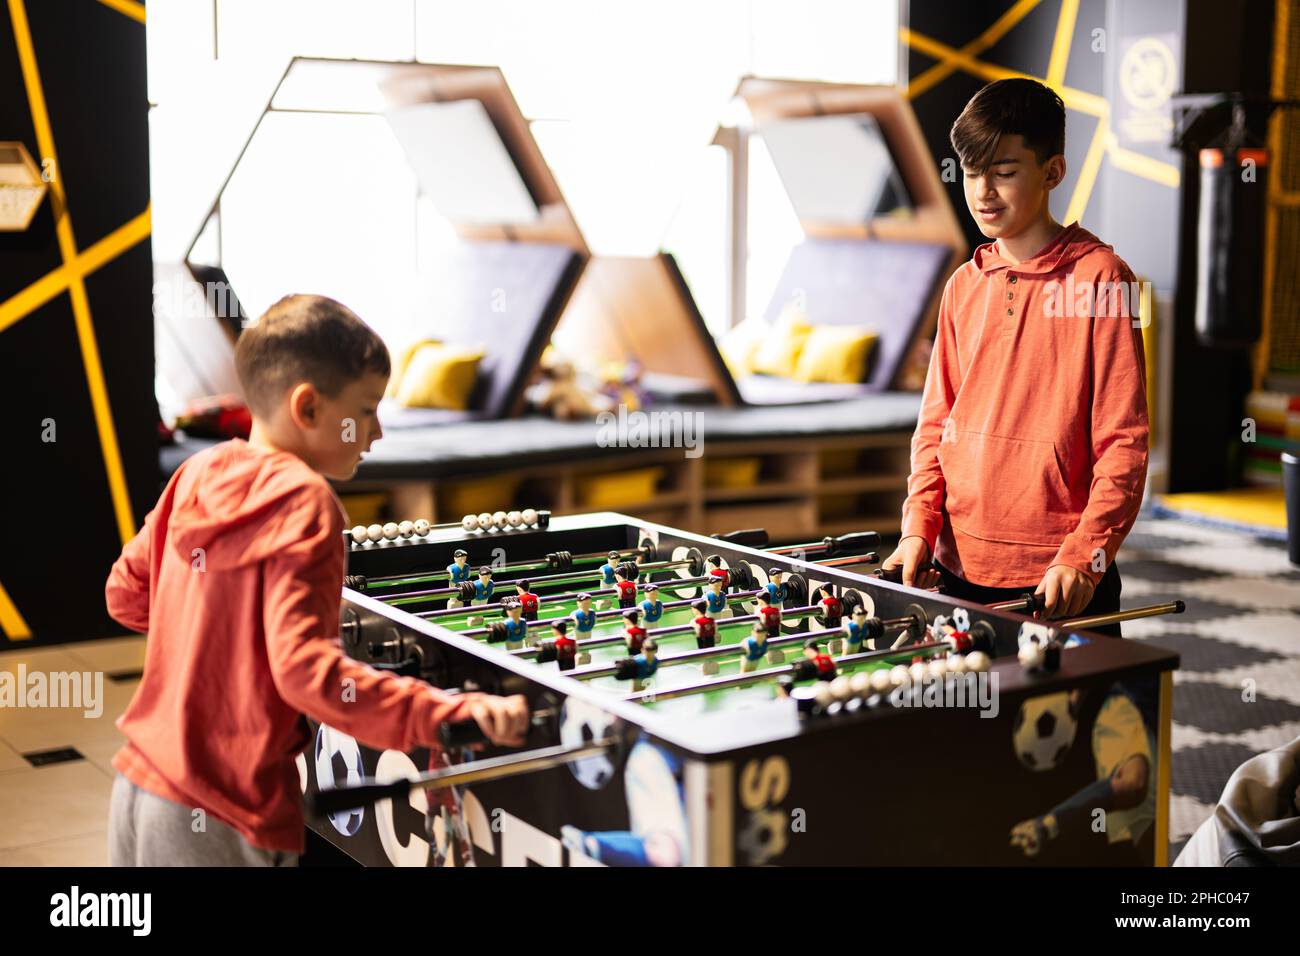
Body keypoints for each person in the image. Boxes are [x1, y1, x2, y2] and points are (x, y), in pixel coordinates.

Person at [104, 294, 528, 866]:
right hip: (223, 810)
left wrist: (216, 640)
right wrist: (445, 714)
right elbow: (307, 675)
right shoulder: (306, 503)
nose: (377, 432)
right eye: (368, 408)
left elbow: (126, 595)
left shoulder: (197, 471)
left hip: (139, 787)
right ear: (307, 407)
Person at [883, 78, 1148, 638]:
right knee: (962, 724)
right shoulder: (962, 286)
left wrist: (1086, 555)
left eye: (1004, 172)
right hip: (954, 565)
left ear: (1053, 172)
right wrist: (917, 528)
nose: (983, 192)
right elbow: (934, 426)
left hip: (1059, 576)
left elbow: (1124, 443)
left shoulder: (1101, 279)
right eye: (972, 172)